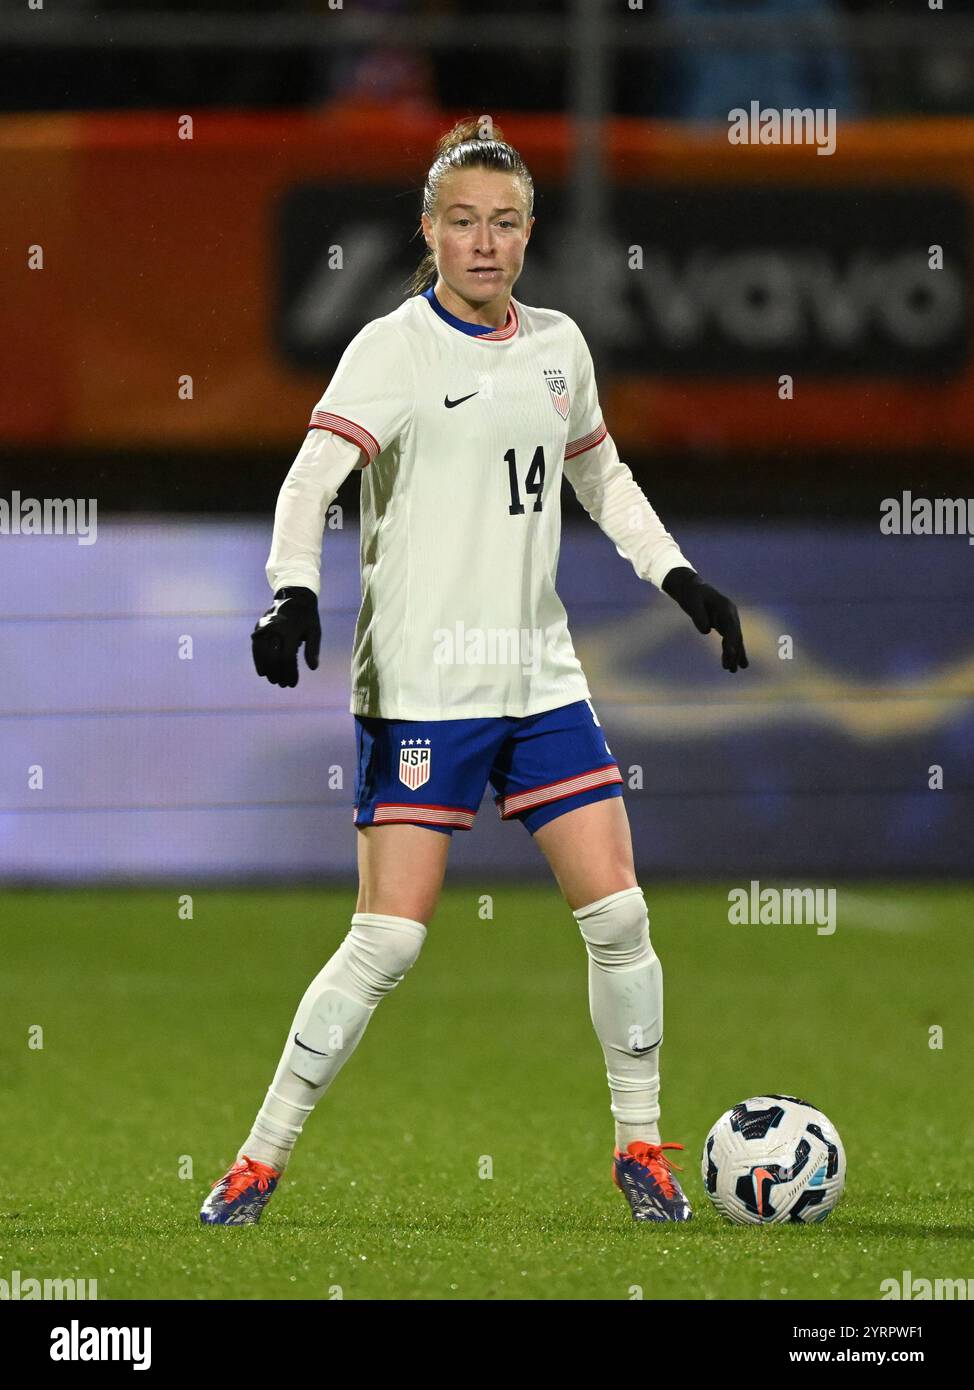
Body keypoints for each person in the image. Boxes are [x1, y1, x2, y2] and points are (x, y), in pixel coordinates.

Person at [200, 115, 748, 1227]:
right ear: (430, 232)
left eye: (504, 223)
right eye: (462, 223)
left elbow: (602, 479)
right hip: (419, 688)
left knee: (620, 920)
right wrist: (290, 587)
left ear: (528, 233)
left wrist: (677, 576)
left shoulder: (557, 346)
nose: (484, 244)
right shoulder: (393, 348)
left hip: (538, 680)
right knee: (389, 938)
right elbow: (311, 481)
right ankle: (259, 1157)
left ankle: (639, 1146)